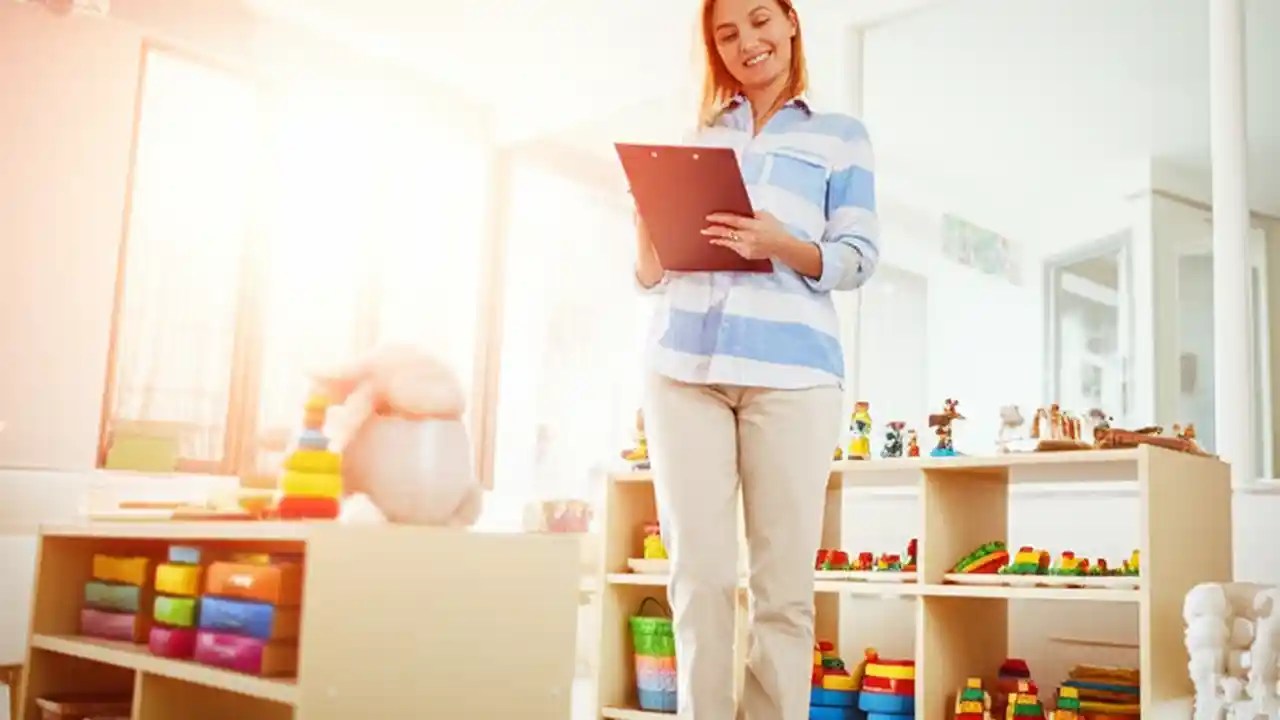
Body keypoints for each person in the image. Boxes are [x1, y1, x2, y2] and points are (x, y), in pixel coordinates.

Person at [632, 0, 879, 717]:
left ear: (791, 21)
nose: (748, 42)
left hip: (793, 378)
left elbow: (858, 260)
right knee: (699, 578)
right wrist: (646, 229)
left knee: (782, 592)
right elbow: (651, 276)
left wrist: (783, 244)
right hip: (684, 370)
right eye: (727, 33)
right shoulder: (699, 136)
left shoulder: (840, 138)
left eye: (759, 21)